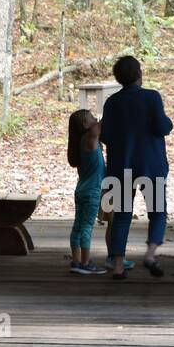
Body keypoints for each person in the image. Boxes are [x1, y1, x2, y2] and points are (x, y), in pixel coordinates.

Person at [99, 56, 173, 279]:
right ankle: (150, 254)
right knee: (157, 211)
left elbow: (105, 136)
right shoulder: (152, 97)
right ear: (140, 74)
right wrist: (168, 123)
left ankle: (119, 265)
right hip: (151, 163)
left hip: (122, 165)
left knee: (122, 214)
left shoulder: (112, 102)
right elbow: (161, 126)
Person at [65, 109, 107, 275]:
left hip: (82, 190)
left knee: (78, 226)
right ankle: (85, 262)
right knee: (87, 227)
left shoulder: (81, 141)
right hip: (92, 192)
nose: (95, 118)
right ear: (85, 124)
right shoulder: (90, 138)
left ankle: (76, 261)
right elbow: (101, 125)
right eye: (91, 117)